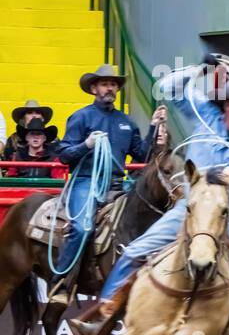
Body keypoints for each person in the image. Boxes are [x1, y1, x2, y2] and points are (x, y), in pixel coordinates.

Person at [70, 62, 229, 335]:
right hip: (188, 211)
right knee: (134, 251)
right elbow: (168, 87)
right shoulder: (206, 115)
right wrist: (197, 69)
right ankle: (104, 316)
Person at [51, 66, 164, 305]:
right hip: (85, 182)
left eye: (113, 84)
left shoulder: (126, 122)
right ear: (94, 88)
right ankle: (60, 282)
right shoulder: (81, 117)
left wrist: (153, 127)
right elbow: (63, 155)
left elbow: (142, 157)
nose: (110, 88)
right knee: (82, 228)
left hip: (117, 184)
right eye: (104, 84)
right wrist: (87, 145)